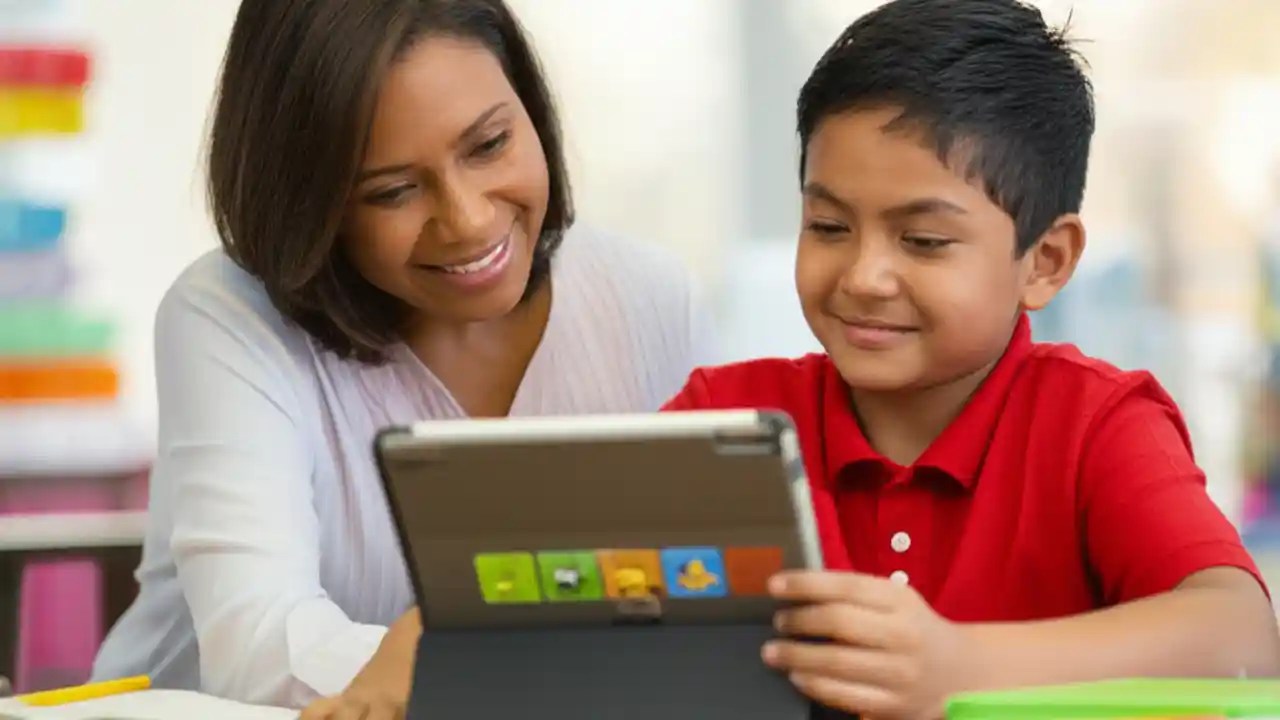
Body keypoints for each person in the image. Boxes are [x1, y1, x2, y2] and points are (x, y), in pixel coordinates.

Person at [90, 0, 713, 716]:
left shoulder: (649, 300)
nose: (470, 219)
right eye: (392, 191)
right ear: (311, 206)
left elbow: (711, 603)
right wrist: (483, 658)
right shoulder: (228, 317)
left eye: (488, 145)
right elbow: (259, 654)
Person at [662, 0, 1280, 717]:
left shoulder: (1094, 424)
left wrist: (957, 665)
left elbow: (1240, 637)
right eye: (828, 226)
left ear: (1045, 261)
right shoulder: (725, 420)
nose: (863, 276)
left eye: (923, 241)